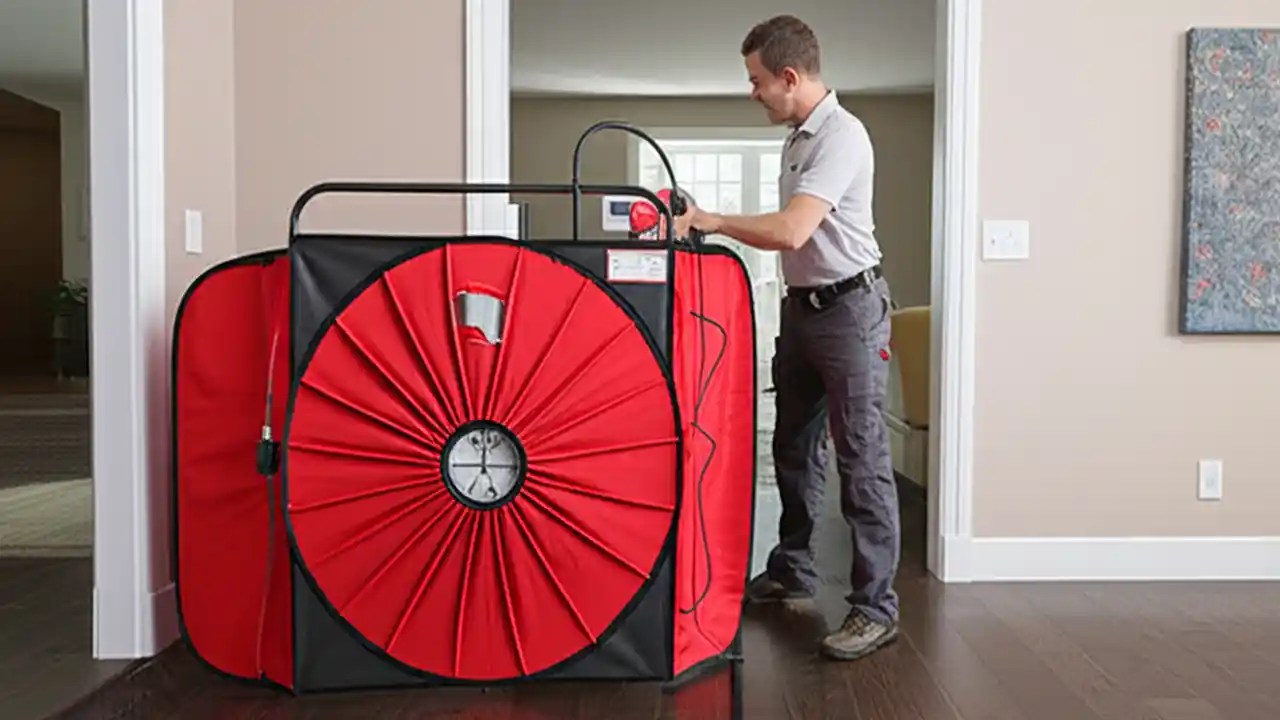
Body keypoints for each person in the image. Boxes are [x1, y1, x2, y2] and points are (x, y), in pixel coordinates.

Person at [675, 14, 899, 661]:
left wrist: (712, 220)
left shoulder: (842, 137)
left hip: (851, 312)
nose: (753, 93)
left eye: (756, 81)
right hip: (805, 310)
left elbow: (794, 230)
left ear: (790, 76)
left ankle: (875, 609)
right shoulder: (798, 137)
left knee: (860, 459)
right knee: (793, 446)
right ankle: (793, 568)